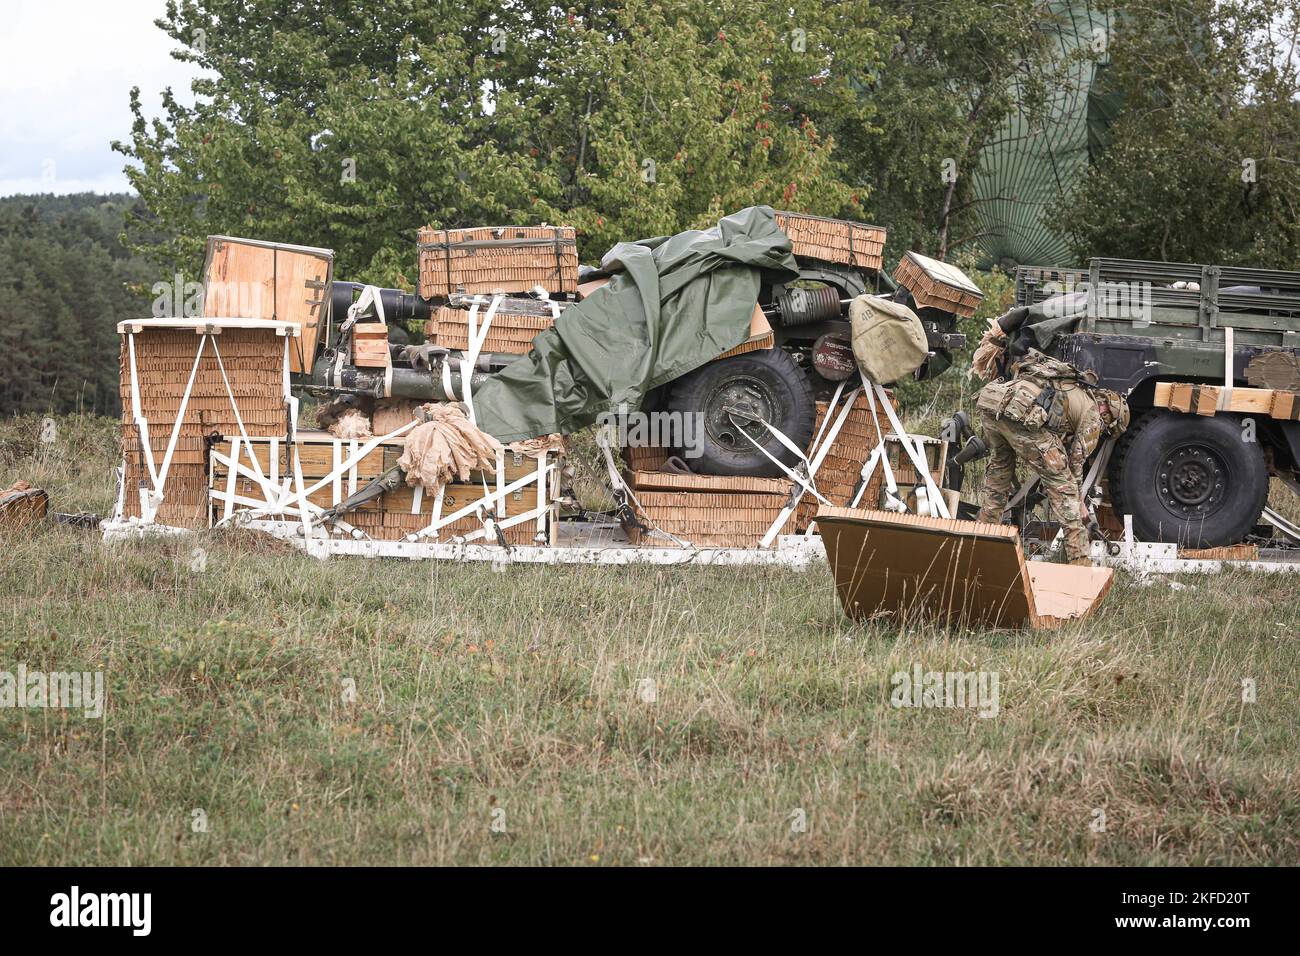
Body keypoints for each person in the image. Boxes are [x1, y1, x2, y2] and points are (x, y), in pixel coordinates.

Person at [972, 345, 1129, 565]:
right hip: (1022, 418)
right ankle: (1080, 565)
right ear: (1109, 414)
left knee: (998, 480)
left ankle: (982, 547)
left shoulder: (1072, 387)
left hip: (996, 409)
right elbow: (1076, 461)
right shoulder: (1093, 414)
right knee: (1066, 496)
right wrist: (1078, 500)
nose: (1103, 432)